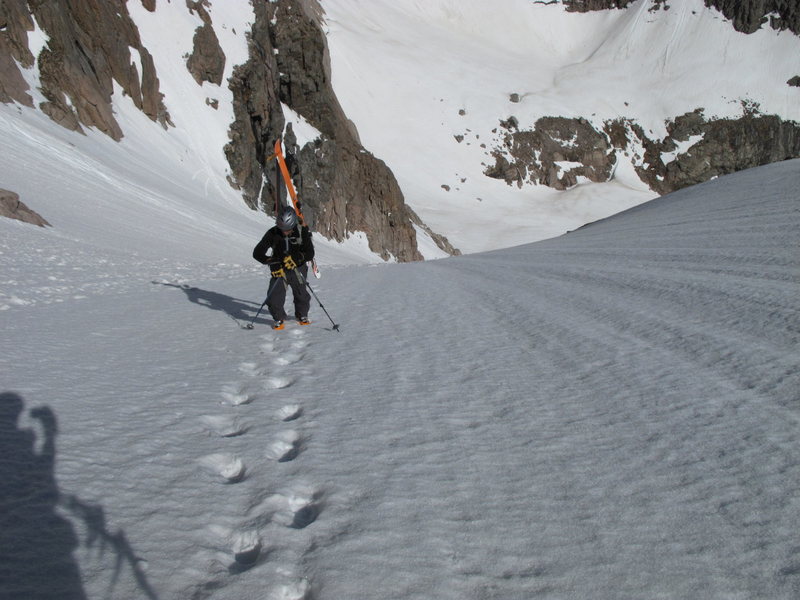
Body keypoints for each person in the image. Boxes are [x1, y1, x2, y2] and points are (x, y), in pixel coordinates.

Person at [252, 206, 315, 330]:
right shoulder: (272, 233)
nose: (284, 232)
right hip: (279, 269)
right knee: (274, 297)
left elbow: (310, 252)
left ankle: (302, 315)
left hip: (298, 267)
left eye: (287, 229)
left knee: (301, 293)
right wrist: (272, 262)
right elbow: (257, 253)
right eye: (281, 228)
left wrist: (297, 258)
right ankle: (278, 318)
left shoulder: (301, 232)